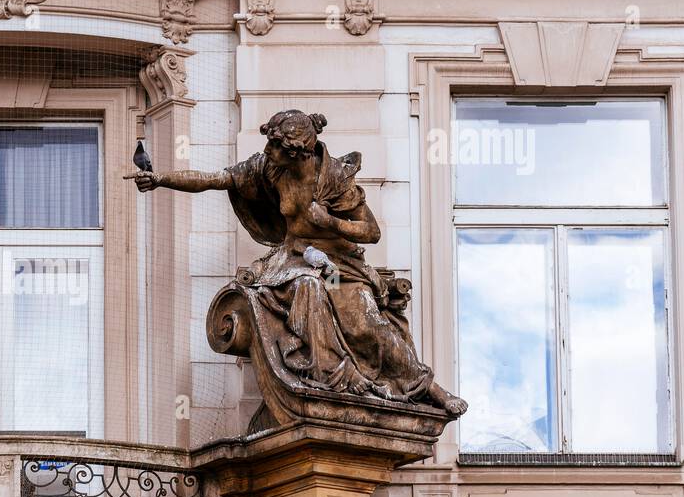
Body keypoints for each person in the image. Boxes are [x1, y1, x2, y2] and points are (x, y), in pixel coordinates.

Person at [126, 109, 466, 415]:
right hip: (296, 258)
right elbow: (216, 179)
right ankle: (326, 372)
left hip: (337, 265)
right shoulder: (270, 169)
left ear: (297, 152)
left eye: (275, 148)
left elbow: (371, 232)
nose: (267, 153)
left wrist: (330, 222)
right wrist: (161, 179)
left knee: (366, 321)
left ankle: (429, 388)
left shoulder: (335, 179)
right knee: (307, 286)